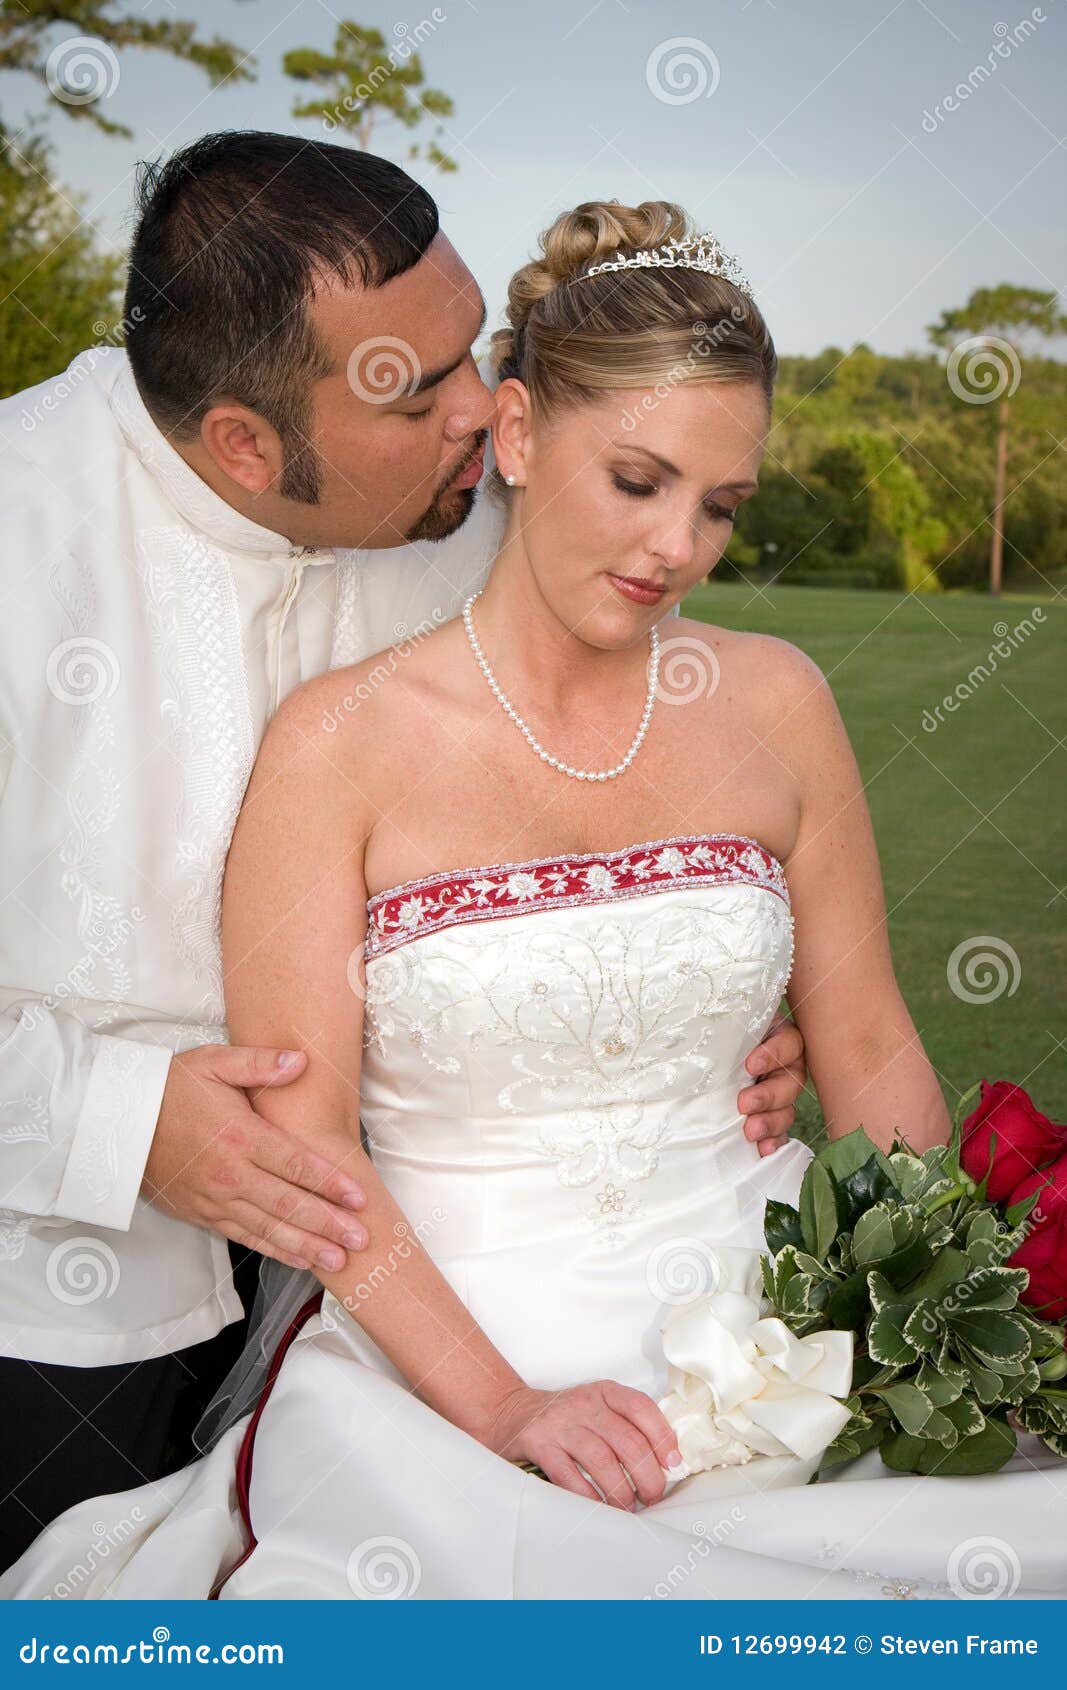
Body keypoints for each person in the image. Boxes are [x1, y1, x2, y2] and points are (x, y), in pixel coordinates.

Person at [17, 194, 1019, 1604]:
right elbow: (310, 1153)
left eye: (721, 503)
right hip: (448, 1333)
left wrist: (933, 1304)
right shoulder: (333, 740)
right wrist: (505, 1411)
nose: (677, 545)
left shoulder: (781, 704)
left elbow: (872, 1045)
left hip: (772, 1304)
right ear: (524, 437)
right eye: (638, 480)